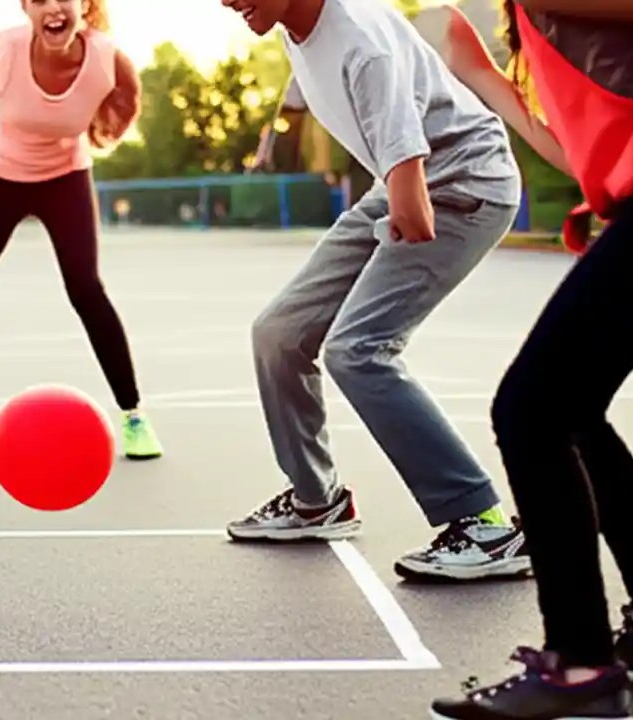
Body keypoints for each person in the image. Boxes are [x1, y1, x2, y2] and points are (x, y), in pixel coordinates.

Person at [430, 0, 633, 717]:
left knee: (531, 411)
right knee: (569, 413)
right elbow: (570, 149)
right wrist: (483, 76)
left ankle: (579, 664)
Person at [217, 0, 530, 582]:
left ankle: (484, 523)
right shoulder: (296, 28)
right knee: (278, 332)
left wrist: (395, 227)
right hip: (405, 183)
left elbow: (415, 208)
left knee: (357, 348)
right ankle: (317, 499)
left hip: (463, 189)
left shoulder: (364, 43)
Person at [0, 0, 163, 460]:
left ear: (84, 5)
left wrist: (103, 129)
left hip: (65, 180)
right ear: (25, 7)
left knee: (85, 289)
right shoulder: (2, 48)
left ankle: (134, 416)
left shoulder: (108, 60)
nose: (53, 8)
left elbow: (124, 108)